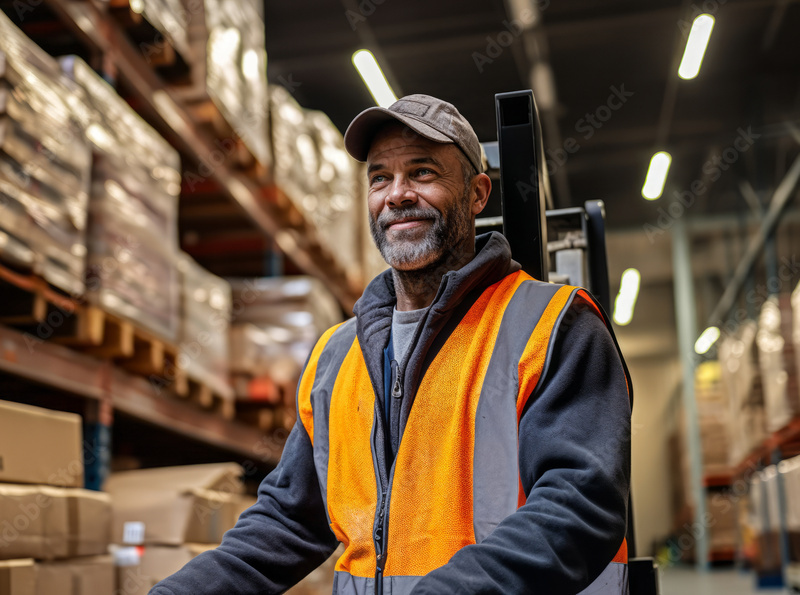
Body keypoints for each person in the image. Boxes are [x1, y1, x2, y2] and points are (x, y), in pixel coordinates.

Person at [151, 95, 632, 594]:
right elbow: (287, 521)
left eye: (422, 173)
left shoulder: (552, 326)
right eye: (380, 178)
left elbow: (579, 506)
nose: (397, 195)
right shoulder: (335, 358)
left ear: (477, 194)